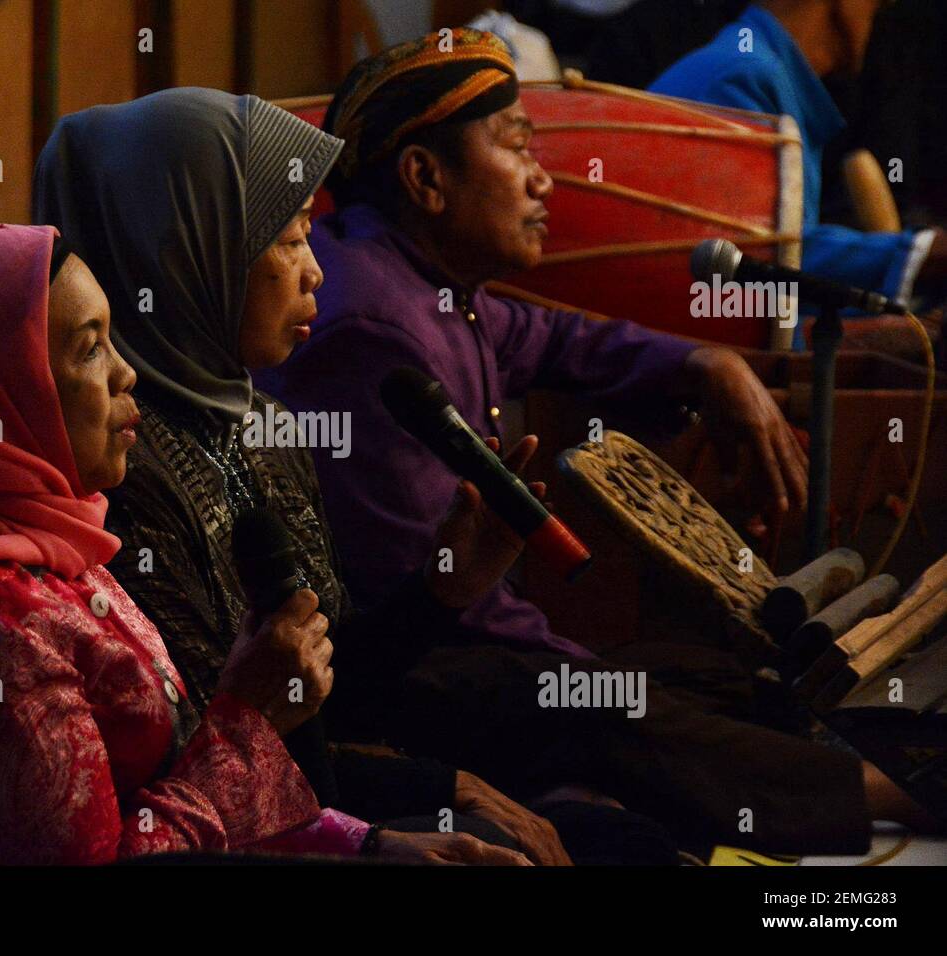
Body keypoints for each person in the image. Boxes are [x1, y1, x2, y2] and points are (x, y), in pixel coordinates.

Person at [255, 29, 938, 852]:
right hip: (400, 676)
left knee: (685, 670)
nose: (545, 177)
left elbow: (555, 341)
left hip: (466, 650)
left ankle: (835, 769)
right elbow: (430, 611)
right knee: (592, 694)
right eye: (516, 147)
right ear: (425, 178)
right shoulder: (373, 321)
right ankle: (888, 797)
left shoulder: (424, 284)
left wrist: (706, 360)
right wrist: (580, 670)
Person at [34, 87, 679, 865]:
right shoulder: (119, 472)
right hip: (250, 830)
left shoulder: (261, 426)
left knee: (626, 826)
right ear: (188, 247)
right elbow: (210, 760)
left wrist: (447, 584)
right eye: (287, 239)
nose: (315, 273)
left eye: (312, 235)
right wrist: (417, 810)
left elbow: (329, 695)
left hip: (326, 792)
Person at [0, 222, 534, 865]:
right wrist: (252, 716)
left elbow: (180, 773)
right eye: (88, 349)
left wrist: (365, 844)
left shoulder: (50, 538)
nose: (126, 372)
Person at [649, 0, 946, 347]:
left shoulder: (755, 72)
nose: (878, 13)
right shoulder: (741, 75)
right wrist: (922, 253)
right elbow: (739, 269)